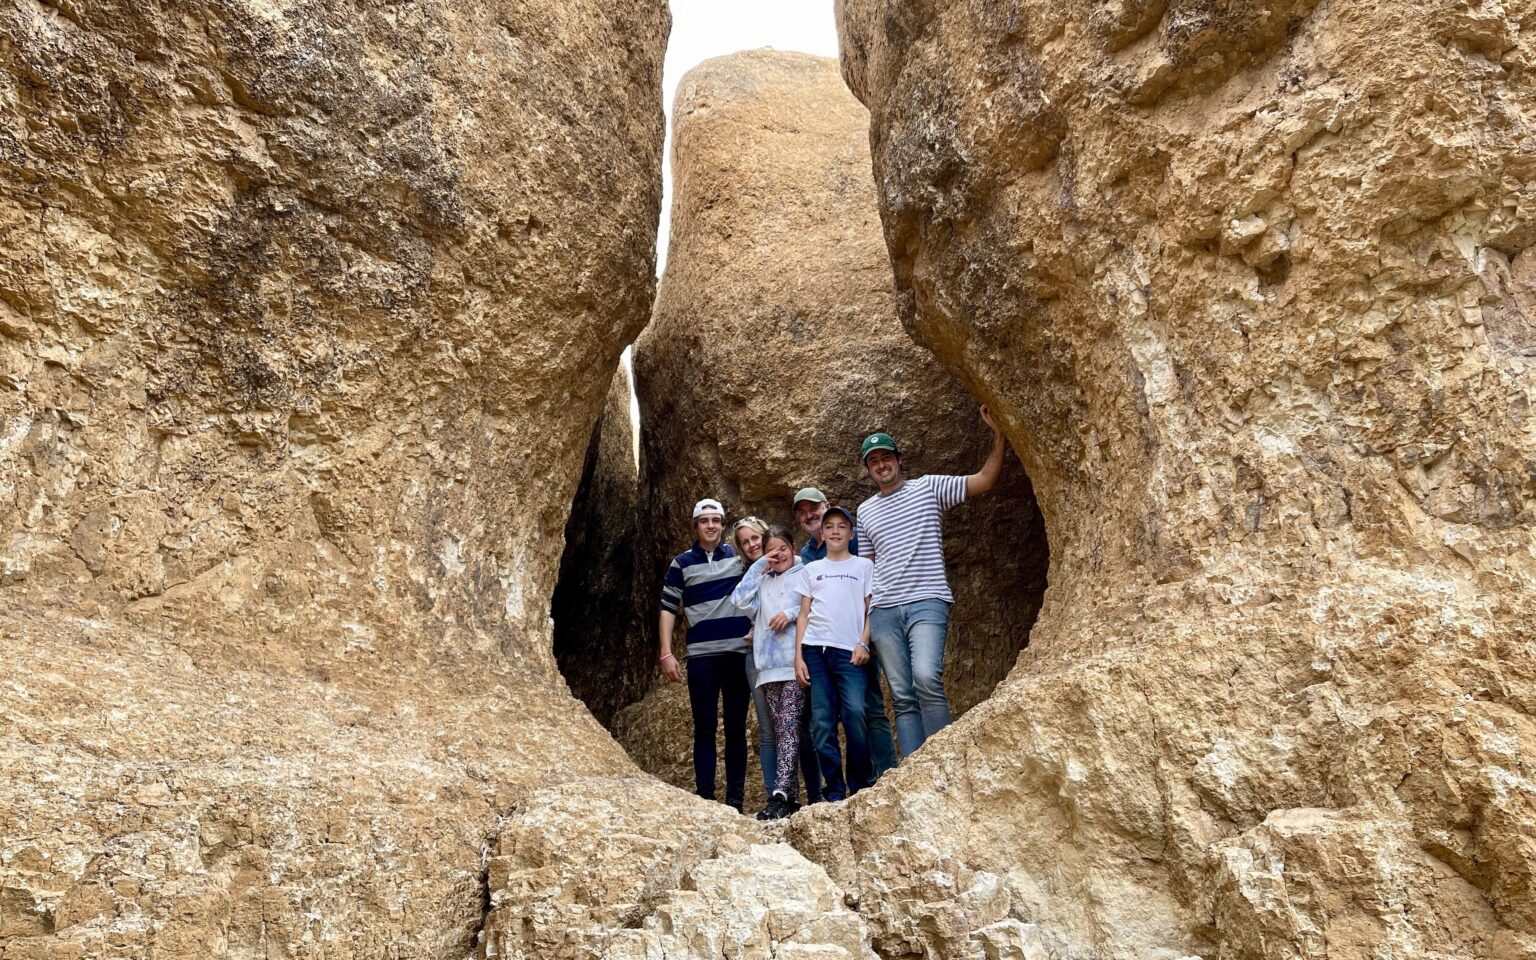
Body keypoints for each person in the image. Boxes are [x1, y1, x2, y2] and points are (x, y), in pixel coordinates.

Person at [855, 408, 1006, 758]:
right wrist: (865, 627)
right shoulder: (864, 511)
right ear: (868, 469)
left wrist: (1000, 437)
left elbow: (984, 480)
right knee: (902, 695)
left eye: (886, 457)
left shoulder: (929, 488)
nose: (881, 465)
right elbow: (868, 571)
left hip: (927, 599)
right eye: (873, 461)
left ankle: (942, 761)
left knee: (926, 679)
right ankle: (912, 770)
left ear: (898, 459)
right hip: (884, 610)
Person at [792, 488, 897, 780]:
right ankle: (839, 788)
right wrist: (798, 653)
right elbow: (804, 609)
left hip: (859, 643)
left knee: (866, 711)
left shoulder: (859, 550)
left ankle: (882, 776)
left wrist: (866, 639)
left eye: (814, 507)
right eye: (802, 511)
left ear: (828, 506)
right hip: (821, 647)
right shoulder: (807, 557)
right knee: (826, 720)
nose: (809, 514)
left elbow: (871, 598)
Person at [659, 498, 753, 812]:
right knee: (704, 726)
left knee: (737, 727)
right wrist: (666, 653)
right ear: (696, 526)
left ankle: (736, 800)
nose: (710, 525)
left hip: (738, 653)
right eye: (704, 520)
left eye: (716, 520)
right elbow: (668, 608)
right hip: (701, 657)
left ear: (723, 525)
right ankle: (706, 798)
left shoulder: (739, 558)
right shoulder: (681, 564)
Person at [733, 516, 822, 808]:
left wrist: (791, 613)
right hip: (768, 668)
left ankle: (780, 794)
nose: (778, 554)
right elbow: (739, 601)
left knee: (789, 723)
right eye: (771, 550)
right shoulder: (762, 581)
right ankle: (791, 799)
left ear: (792, 547)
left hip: (796, 663)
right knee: (782, 727)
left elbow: (817, 603)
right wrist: (761, 565)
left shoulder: (804, 572)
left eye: (782, 548)